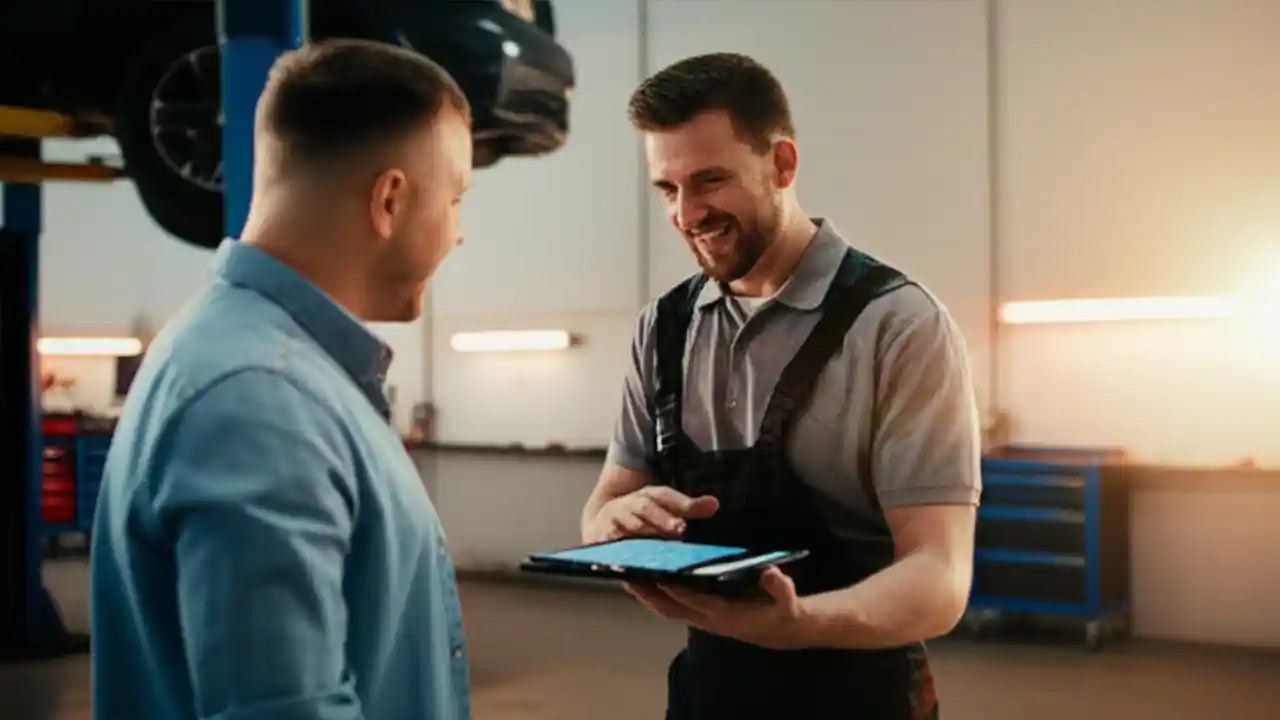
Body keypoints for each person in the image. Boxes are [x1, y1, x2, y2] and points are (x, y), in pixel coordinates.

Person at [580, 52, 981, 719]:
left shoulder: (898, 326)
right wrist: (608, 524)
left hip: (862, 696)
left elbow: (939, 579)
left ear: (783, 165)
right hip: (711, 690)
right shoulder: (664, 328)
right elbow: (607, 500)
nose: (686, 213)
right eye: (667, 189)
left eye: (710, 180)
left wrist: (801, 626)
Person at [90, 40, 473, 720]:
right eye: (455, 199)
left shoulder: (249, 358)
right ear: (389, 200)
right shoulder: (263, 400)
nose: (458, 235)